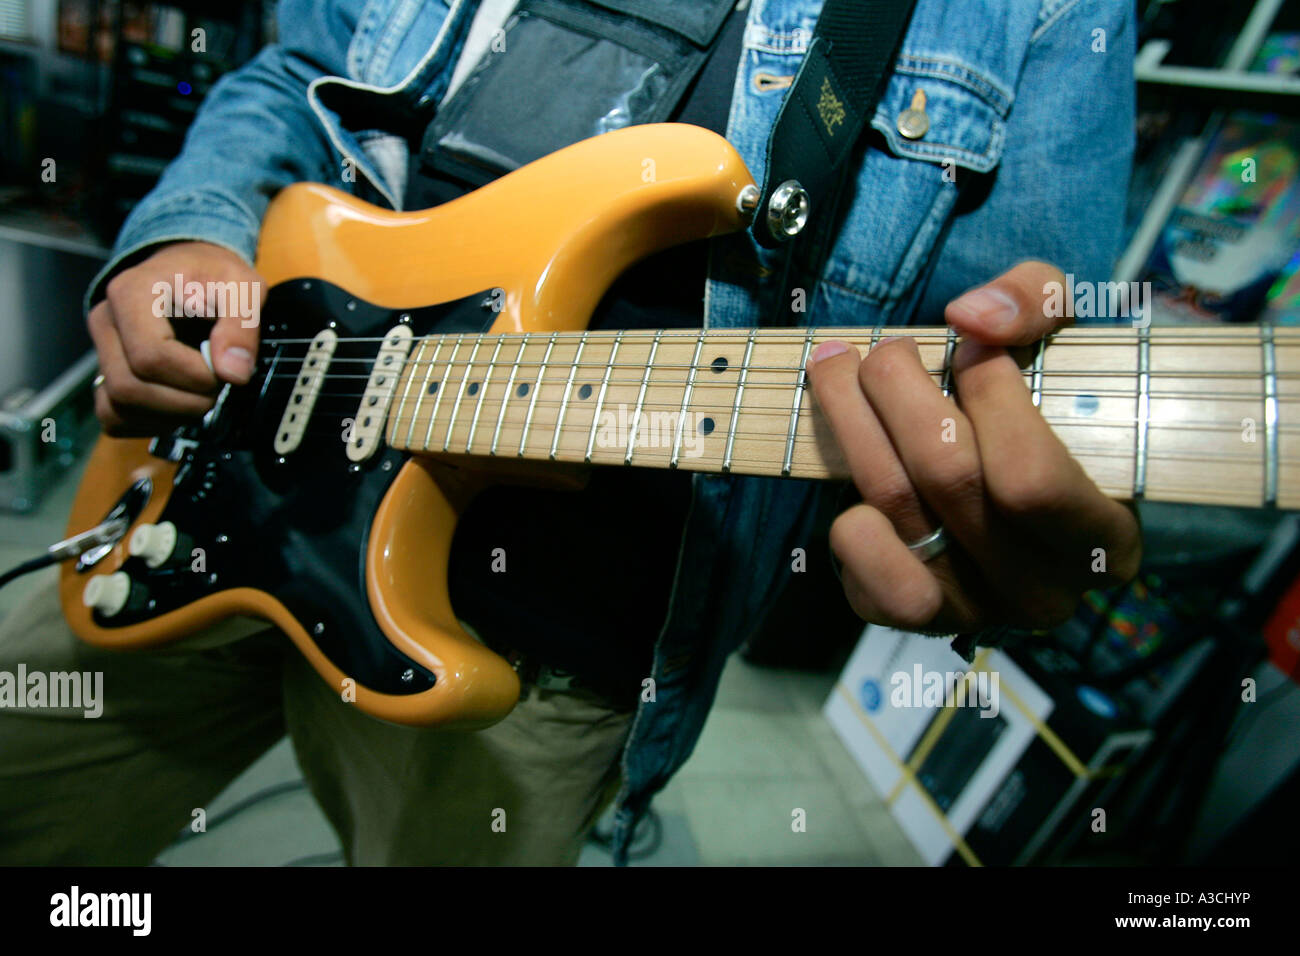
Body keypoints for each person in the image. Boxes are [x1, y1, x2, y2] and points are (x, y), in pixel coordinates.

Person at [0, 0, 1141, 865]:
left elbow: (1005, 358)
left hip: (544, 655)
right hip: (211, 473)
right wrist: (184, 229)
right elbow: (297, 68)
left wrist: (1008, 533)